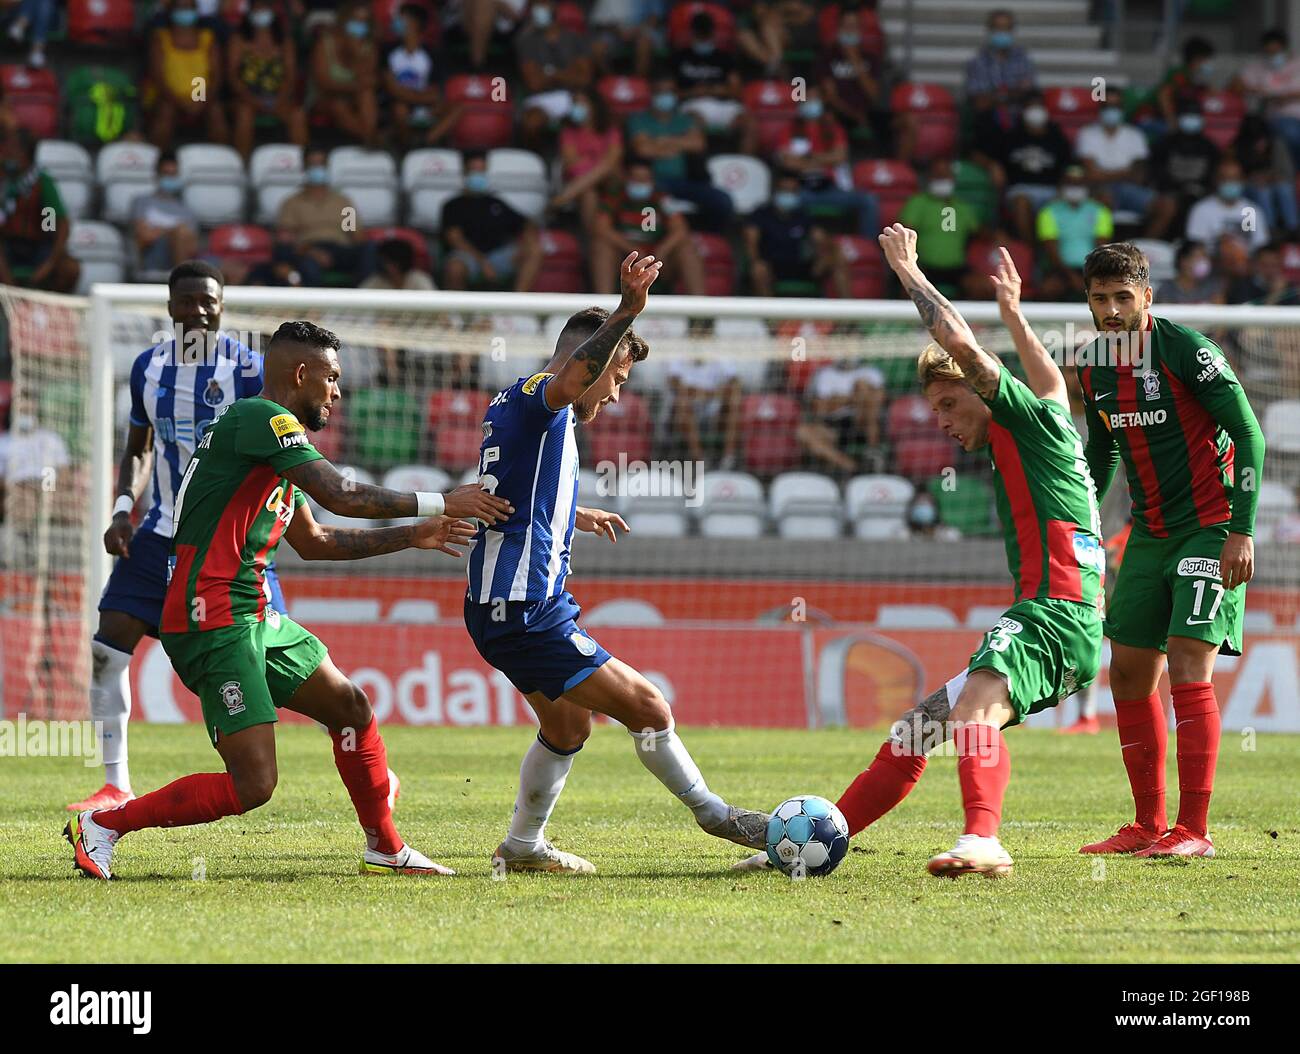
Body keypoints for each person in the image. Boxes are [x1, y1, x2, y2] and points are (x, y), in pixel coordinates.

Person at [66, 320, 514, 881]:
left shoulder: (272, 448)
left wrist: (412, 534)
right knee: (254, 786)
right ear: (300, 374)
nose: (337, 392)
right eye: (331, 378)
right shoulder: (262, 419)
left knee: (351, 707)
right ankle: (105, 826)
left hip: (255, 615)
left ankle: (385, 846)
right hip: (214, 619)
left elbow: (317, 540)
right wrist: (437, 500)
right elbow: (340, 494)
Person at [737, 235, 1104, 878]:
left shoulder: (1025, 422)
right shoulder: (1050, 419)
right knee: (914, 732)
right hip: (1065, 616)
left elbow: (963, 347)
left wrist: (908, 271)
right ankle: (808, 846)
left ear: (987, 394)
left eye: (949, 403)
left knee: (974, 710)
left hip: (1057, 609)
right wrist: (1015, 315)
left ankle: (984, 840)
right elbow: (1047, 377)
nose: (939, 419)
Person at [467, 254, 769, 873]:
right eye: (618, 378)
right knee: (651, 709)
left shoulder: (521, 406)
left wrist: (573, 511)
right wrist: (630, 308)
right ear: (589, 364)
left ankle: (522, 847)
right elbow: (576, 377)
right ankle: (716, 815)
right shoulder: (543, 398)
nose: (616, 393)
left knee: (568, 728)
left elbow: (517, 486)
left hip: (502, 604)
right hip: (525, 607)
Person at [1074, 242, 1265, 858]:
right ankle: (1147, 823)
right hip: (1150, 534)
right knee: (1127, 670)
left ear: (1146, 297)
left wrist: (1242, 530)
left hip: (1210, 528)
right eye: (1099, 298)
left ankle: (1195, 831)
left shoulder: (1189, 351)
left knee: (1187, 661)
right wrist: (1086, 526)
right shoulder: (1093, 366)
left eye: (1121, 297)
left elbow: (1248, 433)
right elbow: (1102, 452)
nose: (1110, 310)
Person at [65, 262, 266, 811]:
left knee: (278, 665)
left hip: (230, 541)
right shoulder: (148, 368)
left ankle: (360, 747)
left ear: (222, 306)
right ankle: (114, 783)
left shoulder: (249, 370)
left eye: (209, 301)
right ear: (170, 306)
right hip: (158, 534)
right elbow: (139, 447)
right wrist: (124, 508)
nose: (198, 310)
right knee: (108, 647)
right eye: (188, 301)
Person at [627, 73, 733, 230]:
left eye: (669, 92)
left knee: (721, 201)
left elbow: (698, 144)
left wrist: (662, 141)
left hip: (685, 181)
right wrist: (681, 142)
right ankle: (651, 240)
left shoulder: (685, 119)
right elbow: (643, 149)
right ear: (652, 93)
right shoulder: (638, 119)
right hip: (653, 181)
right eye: (660, 92)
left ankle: (707, 237)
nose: (665, 97)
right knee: (649, 210)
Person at [773, 83, 878, 237]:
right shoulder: (788, 130)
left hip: (831, 189)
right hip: (802, 190)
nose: (810, 101)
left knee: (868, 200)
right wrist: (824, 159)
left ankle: (869, 251)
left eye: (814, 98)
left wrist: (806, 159)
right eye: (806, 98)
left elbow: (840, 157)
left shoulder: (833, 129)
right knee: (787, 203)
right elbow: (787, 162)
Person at [261, 145, 374, 286]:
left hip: (339, 250)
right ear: (304, 168)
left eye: (321, 164)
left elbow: (356, 235)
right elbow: (285, 241)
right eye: (312, 164)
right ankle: (314, 307)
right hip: (309, 250)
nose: (317, 168)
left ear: (327, 167)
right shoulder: (292, 203)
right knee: (308, 265)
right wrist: (312, 252)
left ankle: (364, 301)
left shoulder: (342, 201)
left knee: (369, 249)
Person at [589, 158, 705, 296]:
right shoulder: (615, 197)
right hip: (624, 257)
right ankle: (604, 304)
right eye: (636, 179)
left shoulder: (661, 198)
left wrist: (661, 250)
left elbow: (680, 229)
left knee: (687, 248)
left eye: (645, 179)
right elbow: (601, 228)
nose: (641, 184)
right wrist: (633, 250)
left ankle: (700, 309)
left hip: (658, 259)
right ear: (626, 178)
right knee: (602, 247)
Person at [975, 91, 1073, 244]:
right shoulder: (1011, 136)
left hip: (1051, 190)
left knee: (1061, 206)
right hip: (1019, 189)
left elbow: (1068, 167)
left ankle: (1051, 252)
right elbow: (977, 153)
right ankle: (1029, 249)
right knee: (1022, 203)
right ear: (1023, 111)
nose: (1035, 111)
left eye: (1038, 107)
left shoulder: (1057, 137)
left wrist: (1063, 187)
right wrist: (993, 165)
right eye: (1030, 107)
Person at [440, 150, 543, 293]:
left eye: (482, 171)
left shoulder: (496, 203)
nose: (478, 175)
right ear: (464, 173)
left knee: (534, 250)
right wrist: (482, 262)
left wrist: (529, 236)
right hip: (468, 258)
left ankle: (519, 303)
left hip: (498, 257)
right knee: (454, 267)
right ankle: (456, 312)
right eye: (474, 170)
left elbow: (525, 223)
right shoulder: (452, 205)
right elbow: (455, 239)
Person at [743, 170, 849, 297]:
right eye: (784, 190)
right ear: (775, 191)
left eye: (793, 191)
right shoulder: (761, 214)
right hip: (772, 267)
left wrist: (825, 250)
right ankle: (769, 315)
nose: (789, 195)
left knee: (837, 256)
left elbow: (819, 237)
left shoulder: (802, 215)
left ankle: (849, 311)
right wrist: (756, 261)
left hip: (799, 265)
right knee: (758, 270)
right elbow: (750, 240)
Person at [0, 127, 80, 293]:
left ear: (25, 154)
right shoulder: (2, 180)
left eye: (12, 150)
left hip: (37, 247)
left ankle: (54, 312)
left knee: (69, 269)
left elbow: (55, 226)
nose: (6, 154)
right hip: (6, 246)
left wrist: (48, 264)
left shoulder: (41, 183)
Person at [227, 0, 308, 160]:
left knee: (297, 115)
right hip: (246, 99)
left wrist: (278, 99)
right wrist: (253, 100)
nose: (261, 13)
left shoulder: (284, 41)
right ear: (250, 13)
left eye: (265, 8)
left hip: (278, 98)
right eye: (258, 9)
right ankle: (243, 163)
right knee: (244, 114)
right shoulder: (239, 40)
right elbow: (232, 76)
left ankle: (303, 162)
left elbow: (290, 76)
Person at [147, 0, 229, 149]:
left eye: (190, 7)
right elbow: (158, 77)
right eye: (181, 7)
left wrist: (201, 100)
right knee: (166, 112)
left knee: (216, 113)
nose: (186, 11)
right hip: (170, 94)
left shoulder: (207, 38)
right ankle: (158, 161)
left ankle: (221, 160)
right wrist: (178, 100)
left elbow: (216, 75)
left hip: (198, 91)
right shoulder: (161, 38)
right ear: (171, 12)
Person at [515, 0, 594, 152]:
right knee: (531, 123)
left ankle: (581, 162)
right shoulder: (526, 41)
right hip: (541, 98)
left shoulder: (574, 38)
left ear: (554, 10)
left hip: (573, 96)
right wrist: (569, 73)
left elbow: (584, 79)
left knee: (589, 116)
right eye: (535, 7)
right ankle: (539, 159)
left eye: (543, 6)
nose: (538, 11)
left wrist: (550, 73)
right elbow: (534, 83)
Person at [897, 158, 982, 293]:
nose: (942, 180)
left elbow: (979, 233)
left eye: (945, 176)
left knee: (980, 286)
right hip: (923, 267)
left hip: (957, 269)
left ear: (953, 179)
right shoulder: (917, 203)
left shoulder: (963, 207)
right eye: (938, 176)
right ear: (929, 178)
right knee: (907, 285)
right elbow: (903, 235)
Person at [673, 9, 749, 150]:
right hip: (693, 105)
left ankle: (744, 164)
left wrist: (719, 90)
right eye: (700, 34)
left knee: (748, 123)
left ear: (712, 33)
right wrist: (693, 92)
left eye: (706, 34)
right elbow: (670, 92)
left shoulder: (724, 57)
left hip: (724, 105)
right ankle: (701, 164)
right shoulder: (680, 57)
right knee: (693, 122)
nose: (703, 39)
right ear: (692, 33)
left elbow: (737, 90)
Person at [551, 91, 623, 238]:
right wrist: (598, 161)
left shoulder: (611, 130)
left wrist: (588, 160)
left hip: (610, 181)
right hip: (582, 181)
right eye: (575, 103)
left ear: (594, 106)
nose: (578, 106)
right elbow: (571, 162)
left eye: (583, 102)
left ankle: (563, 198)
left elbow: (612, 161)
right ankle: (594, 242)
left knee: (606, 167)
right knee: (589, 193)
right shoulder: (568, 132)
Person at [1035, 165, 1113, 299]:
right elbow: (1051, 251)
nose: (1075, 187)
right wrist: (1072, 277)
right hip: (1059, 270)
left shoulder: (1100, 211)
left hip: (1092, 269)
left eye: (1079, 183)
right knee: (1049, 288)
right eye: (1070, 183)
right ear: (1061, 186)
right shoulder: (1048, 212)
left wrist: (1088, 277)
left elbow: (1101, 249)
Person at [383, 4, 455, 149]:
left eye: (400, 18)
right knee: (400, 109)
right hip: (398, 102)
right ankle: (406, 145)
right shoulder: (387, 51)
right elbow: (392, 89)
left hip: (423, 103)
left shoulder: (432, 54)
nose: (395, 22)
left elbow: (435, 92)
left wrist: (421, 100)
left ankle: (425, 141)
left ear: (414, 23)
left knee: (457, 108)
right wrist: (417, 98)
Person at [796, 359, 885, 475]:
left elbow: (879, 399)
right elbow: (820, 409)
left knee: (863, 385)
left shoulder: (871, 372)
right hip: (833, 425)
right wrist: (853, 398)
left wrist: (836, 399)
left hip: (861, 422)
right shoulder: (823, 374)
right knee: (803, 432)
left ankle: (873, 450)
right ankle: (854, 468)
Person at [309, 1, 380, 147]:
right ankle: (371, 138)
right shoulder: (324, 43)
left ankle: (368, 138)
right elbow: (324, 83)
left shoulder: (369, 47)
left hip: (354, 97)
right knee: (339, 104)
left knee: (367, 94)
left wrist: (355, 55)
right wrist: (356, 86)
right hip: (325, 98)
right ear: (344, 20)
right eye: (356, 20)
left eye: (364, 22)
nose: (360, 25)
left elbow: (368, 80)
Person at [1146, 103, 1220, 239]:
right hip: (1169, 191)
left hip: (1199, 193)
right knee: (1169, 205)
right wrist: (1176, 188)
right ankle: (1150, 246)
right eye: (1187, 116)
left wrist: (1200, 189)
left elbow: (1213, 176)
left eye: (1195, 116)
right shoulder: (1165, 143)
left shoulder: (1210, 147)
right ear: (1179, 119)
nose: (1191, 120)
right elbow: (1156, 172)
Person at [1075, 100, 1155, 225]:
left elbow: (1138, 176)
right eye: (1108, 107)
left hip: (1130, 188)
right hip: (1099, 188)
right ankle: (1107, 244)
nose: (1111, 112)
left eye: (1115, 107)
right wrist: (1125, 173)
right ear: (1100, 111)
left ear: (1122, 111)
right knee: (1103, 200)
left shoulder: (1135, 135)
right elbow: (1091, 175)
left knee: (1164, 205)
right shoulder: (1087, 133)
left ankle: (1145, 243)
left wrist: (1103, 174)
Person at [1234, 28, 1300, 166]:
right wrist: (1257, 90)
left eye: (1276, 51)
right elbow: (1236, 85)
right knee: (1293, 134)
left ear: (1284, 47)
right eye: (1269, 52)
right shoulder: (1259, 66)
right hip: (1280, 118)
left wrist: (1286, 96)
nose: (1273, 55)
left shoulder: (1297, 64)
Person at [129, 151, 201, 276]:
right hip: (152, 255)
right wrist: (173, 231)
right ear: (156, 175)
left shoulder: (187, 210)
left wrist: (159, 230)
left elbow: (192, 246)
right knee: (180, 231)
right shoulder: (142, 202)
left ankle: (182, 276)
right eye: (166, 174)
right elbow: (144, 237)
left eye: (173, 174)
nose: (170, 178)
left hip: (182, 257)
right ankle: (183, 278)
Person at [964, 8, 1037, 119]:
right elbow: (980, 101)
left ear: (1012, 30)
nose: (1002, 32)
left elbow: (1031, 93)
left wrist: (996, 96)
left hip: (1019, 120)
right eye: (998, 28)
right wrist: (1012, 94)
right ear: (990, 30)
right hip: (989, 120)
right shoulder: (977, 62)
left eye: (1006, 28)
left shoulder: (1023, 59)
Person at [1185, 159, 1270, 252]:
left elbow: (1261, 246)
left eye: (1235, 178)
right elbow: (1195, 249)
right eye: (1225, 178)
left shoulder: (1251, 211)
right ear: (1216, 180)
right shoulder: (1201, 210)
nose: (1230, 182)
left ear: (1242, 181)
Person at [1157, 241, 1223, 305]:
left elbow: (1219, 311)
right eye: (1198, 257)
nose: (1203, 262)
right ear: (1183, 261)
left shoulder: (1212, 287)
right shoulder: (1167, 289)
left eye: (1205, 257)